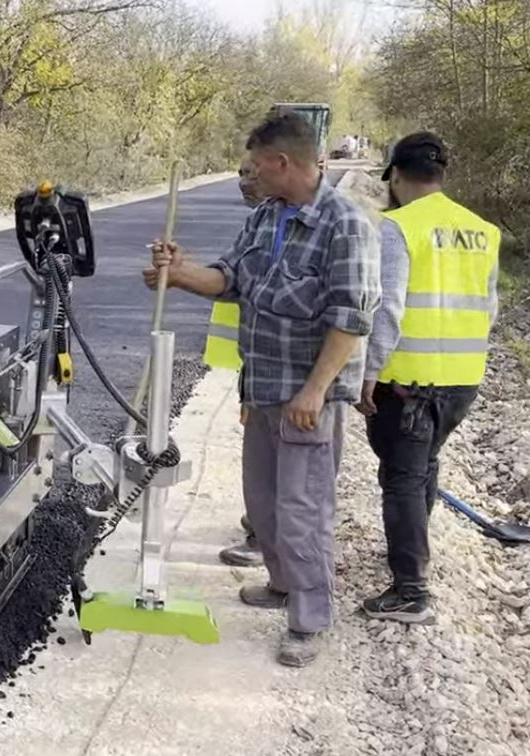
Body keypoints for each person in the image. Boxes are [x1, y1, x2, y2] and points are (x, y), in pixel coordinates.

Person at [146, 113, 381, 667]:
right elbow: (231, 279)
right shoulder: (265, 218)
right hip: (262, 388)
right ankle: (281, 584)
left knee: (303, 511)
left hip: (307, 399)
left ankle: (309, 618)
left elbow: (351, 318)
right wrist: (180, 274)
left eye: (256, 165)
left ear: (282, 162)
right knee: (265, 504)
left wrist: (315, 391)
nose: (250, 175)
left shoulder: (345, 226)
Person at [356, 132, 500, 625]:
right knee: (423, 466)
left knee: (402, 477)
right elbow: (489, 307)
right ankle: (410, 550)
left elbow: (388, 308)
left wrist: (369, 371)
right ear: (440, 175)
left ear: (396, 176)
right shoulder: (482, 230)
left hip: (409, 382)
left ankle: (411, 590)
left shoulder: (399, 227)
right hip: (463, 379)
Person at [213, 155, 265, 569]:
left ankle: (265, 536)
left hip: (281, 371)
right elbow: (230, 275)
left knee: (275, 464)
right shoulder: (260, 221)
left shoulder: (302, 224)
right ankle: (261, 522)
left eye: (253, 174)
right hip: (253, 363)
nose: (244, 182)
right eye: (241, 174)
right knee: (259, 455)